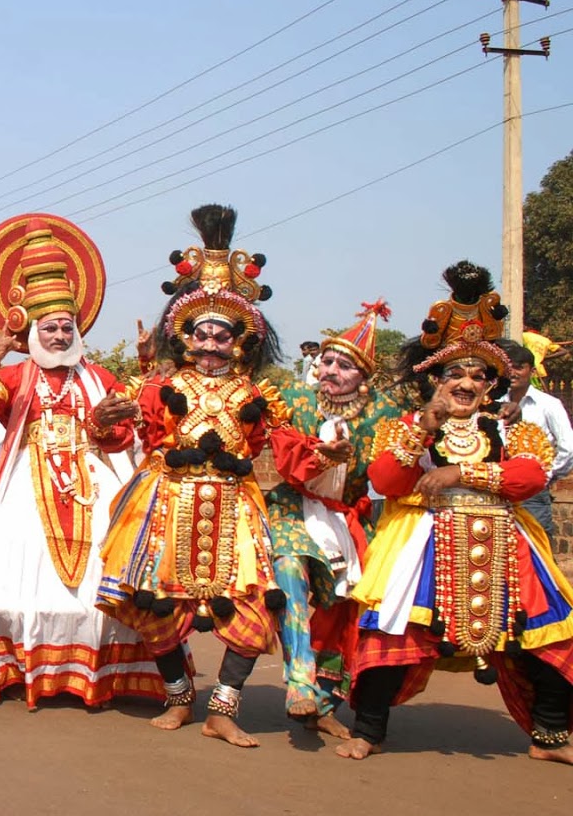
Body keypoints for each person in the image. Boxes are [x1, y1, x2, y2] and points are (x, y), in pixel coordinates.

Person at [97, 204, 321, 748]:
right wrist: (103, 420)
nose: (212, 343)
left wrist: (325, 454)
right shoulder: (155, 385)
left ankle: (224, 706)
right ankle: (179, 697)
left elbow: (290, 449)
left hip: (235, 507)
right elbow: (121, 433)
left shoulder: (257, 393)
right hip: (165, 502)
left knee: (253, 606)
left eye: (223, 335)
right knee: (152, 603)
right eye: (202, 333)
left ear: (240, 340)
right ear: (185, 336)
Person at [341, 263, 573, 765]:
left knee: (549, 634)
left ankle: (550, 738)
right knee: (393, 634)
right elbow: (386, 481)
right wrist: (424, 430)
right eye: (455, 373)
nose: (466, 382)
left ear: (491, 385)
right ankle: (368, 731)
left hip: (506, 539)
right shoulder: (410, 424)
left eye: (478, 375)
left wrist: (461, 475)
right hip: (426, 540)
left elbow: (531, 477)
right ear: (436, 380)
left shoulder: (512, 428)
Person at [0, 214, 163, 706]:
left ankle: (92, 673)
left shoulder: (100, 376)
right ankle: (18, 668)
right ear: (32, 329)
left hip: (93, 482)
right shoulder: (16, 375)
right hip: (23, 482)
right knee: (6, 578)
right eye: (50, 327)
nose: (60, 335)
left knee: (105, 579)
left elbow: (123, 438)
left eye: (67, 327)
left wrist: (106, 421)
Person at [264, 301, 402, 736]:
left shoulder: (385, 414)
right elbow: (286, 456)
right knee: (288, 572)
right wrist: (320, 456)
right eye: (326, 361)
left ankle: (324, 702)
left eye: (344, 366)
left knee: (340, 607)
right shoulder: (295, 400)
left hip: (347, 517)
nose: (330, 371)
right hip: (293, 505)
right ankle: (299, 682)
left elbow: (390, 471)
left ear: (364, 378)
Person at [499, 339, 573, 534]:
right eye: (508, 368)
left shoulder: (548, 404)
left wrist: (548, 475)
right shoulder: (494, 402)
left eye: (518, 368)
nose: (513, 373)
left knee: (537, 547)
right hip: (498, 487)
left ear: (531, 371)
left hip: (532, 490)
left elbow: (568, 446)